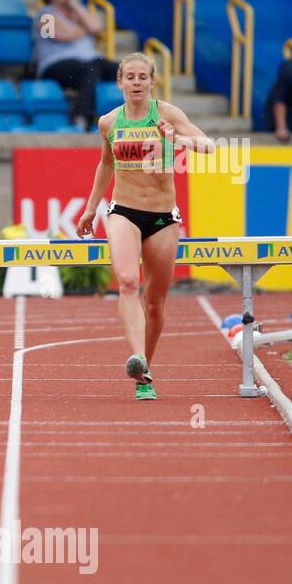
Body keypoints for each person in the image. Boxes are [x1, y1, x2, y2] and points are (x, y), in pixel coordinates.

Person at [74, 52, 215, 400]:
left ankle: (144, 371)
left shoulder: (167, 114)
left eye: (142, 77)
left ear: (152, 82)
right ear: (120, 82)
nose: (136, 83)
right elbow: (105, 165)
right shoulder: (109, 122)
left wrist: (178, 141)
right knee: (126, 281)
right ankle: (135, 355)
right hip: (123, 211)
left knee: (155, 303)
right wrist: (91, 209)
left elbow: (209, 147)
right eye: (130, 77)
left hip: (163, 218)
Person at [31, 0, 116, 130]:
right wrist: (85, 29)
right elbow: (62, 35)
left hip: (89, 60)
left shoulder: (79, 12)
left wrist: (76, 7)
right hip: (56, 64)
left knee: (124, 70)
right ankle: (80, 116)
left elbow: (97, 27)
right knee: (91, 70)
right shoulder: (45, 15)